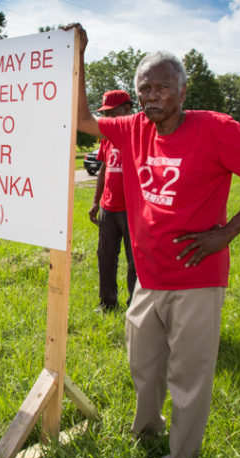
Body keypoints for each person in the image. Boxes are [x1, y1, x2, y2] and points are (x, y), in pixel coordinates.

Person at [70, 25, 240, 458]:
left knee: (188, 379)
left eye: (162, 87)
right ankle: (147, 433)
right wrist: (79, 56)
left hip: (197, 277)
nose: (152, 96)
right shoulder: (133, 129)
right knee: (143, 365)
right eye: (145, 89)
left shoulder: (215, 129)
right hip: (148, 279)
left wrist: (227, 232)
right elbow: (81, 120)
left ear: (182, 90)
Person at [89, 90, 137, 312]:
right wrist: (96, 202)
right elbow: (104, 168)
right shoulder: (107, 136)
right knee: (106, 257)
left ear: (127, 109)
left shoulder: (139, 134)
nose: (107, 118)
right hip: (109, 207)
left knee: (134, 261)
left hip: (133, 209)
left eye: (111, 112)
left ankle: (134, 305)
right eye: (104, 114)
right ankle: (107, 302)